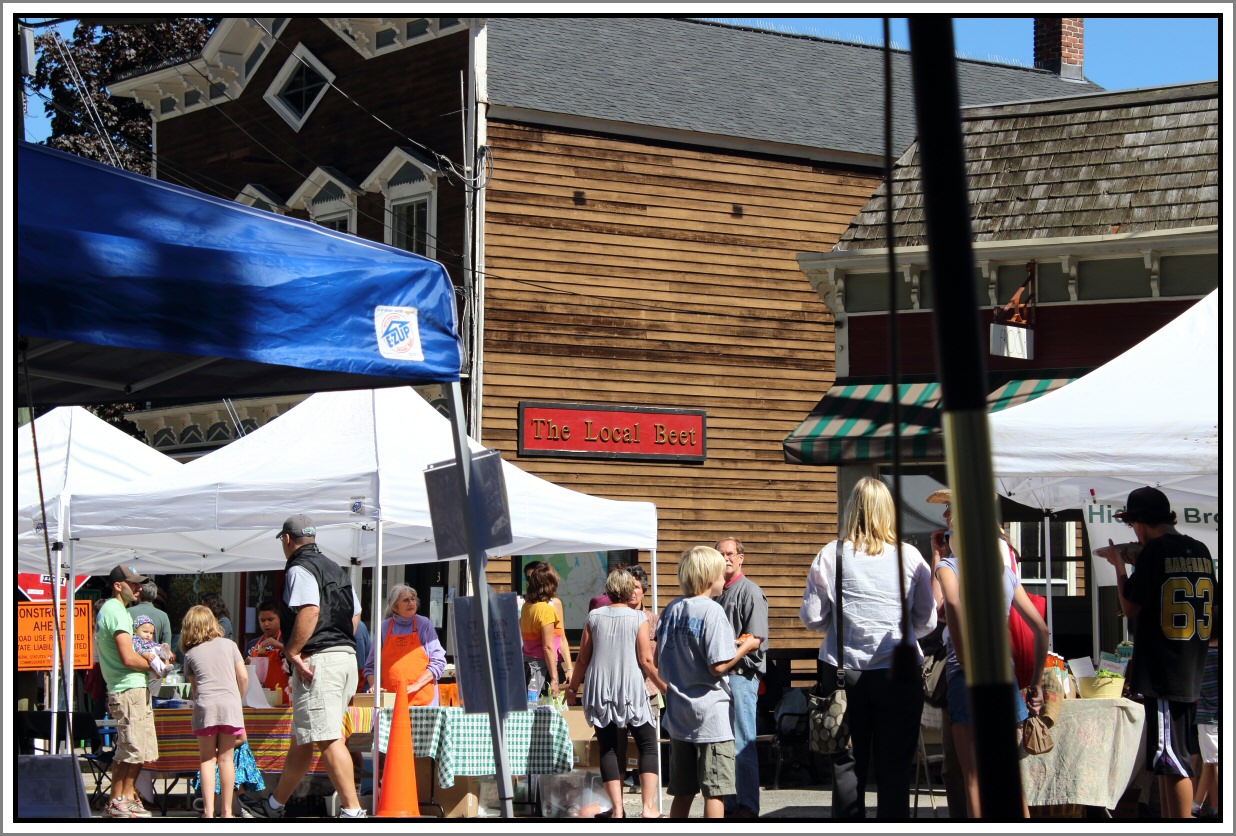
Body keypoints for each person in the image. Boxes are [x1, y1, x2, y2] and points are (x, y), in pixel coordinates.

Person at [799, 477, 938, 820]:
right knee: (895, 765)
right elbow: (927, 620)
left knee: (846, 764)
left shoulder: (832, 555)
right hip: (899, 672)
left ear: (851, 510)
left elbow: (813, 619)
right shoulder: (911, 557)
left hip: (844, 672)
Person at [239, 515, 367, 819]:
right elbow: (356, 614)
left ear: (287, 539)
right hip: (344, 657)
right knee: (302, 738)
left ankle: (353, 812)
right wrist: (338, 640)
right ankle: (274, 806)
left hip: (319, 660)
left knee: (328, 737)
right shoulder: (336, 567)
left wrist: (294, 649)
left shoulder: (299, 567)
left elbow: (310, 610)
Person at [1103, 486, 1216, 819]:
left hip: (1164, 670)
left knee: (1173, 758)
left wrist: (1120, 567)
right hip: (1191, 665)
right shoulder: (1200, 549)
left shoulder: (1154, 552)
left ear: (1139, 522)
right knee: (1166, 760)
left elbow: (1131, 606)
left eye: (1132, 524)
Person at [935, 493, 1048, 818]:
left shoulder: (949, 567)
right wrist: (1037, 683)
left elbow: (950, 607)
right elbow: (1041, 630)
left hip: (965, 677)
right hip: (1003, 678)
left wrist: (968, 664)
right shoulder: (1005, 573)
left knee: (974, 781)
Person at [655, 545, 761, 819]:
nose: (724, 578)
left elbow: (660, 661)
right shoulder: (712, 612)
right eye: (719, 573)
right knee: (715, 791)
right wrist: (746, 647)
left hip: (679, 716)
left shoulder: (671, 609)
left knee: (683, 791)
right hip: (710, 718)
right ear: (707, 577)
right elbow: (718, 665)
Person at [566, 569, 667, 819]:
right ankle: (648, 808)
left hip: (600, 688)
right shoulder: (637, 619)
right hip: (631, 688)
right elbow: (645, 659)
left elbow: (583, 660)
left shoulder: (594, 616)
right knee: (647, 746)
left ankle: (618, 810)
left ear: (609, 589)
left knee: (609, 748)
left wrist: (572, 688)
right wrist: (664, 686)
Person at [96, 564, 168, 818]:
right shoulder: (114, 610)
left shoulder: (120, 610)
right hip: (126, 688)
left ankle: (127, 796)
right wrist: (156, 667)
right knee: (130, 746)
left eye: (139, 583)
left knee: (140, 747)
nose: (138, 587)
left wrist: (154, 665)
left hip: (133, 687)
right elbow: (128, 657)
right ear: (118, 585)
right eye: (133, 583)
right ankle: (117, 799)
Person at [715, 536, 768, 819]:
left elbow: (755, 639)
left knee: (743, 742)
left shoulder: (750, 592)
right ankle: (731, 803)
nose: (726, 558)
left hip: (740, 677)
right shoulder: (714, 594)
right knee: (723, 743)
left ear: (741, 557)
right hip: (718, 681)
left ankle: (748, 806)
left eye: (730, 553)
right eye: (721, 553)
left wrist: (728, 654)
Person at [180, 605, 248, 819]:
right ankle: (227, 812)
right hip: (230, 705)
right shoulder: (230, 645)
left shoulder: (190, 654)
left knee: (207, 760)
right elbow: (244, 677)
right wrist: (238, 699)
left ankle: (208, 812)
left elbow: (195, 689)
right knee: (226, 759)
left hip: (206, 706)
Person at [363, 585, 447, 704]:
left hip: (422, 701)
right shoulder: (384, 627)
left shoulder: (424, 624)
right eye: (406, 600)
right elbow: (371, 666)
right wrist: (374, 685)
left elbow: (439, 662)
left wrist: (416, 685)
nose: (411, 603)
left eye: (413, 599)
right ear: (395, 606)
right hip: (391, 701)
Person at [521, 563, 565, 698]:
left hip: (527, 667)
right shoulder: (545, 610)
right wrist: (554, 679)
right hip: (542, 670)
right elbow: (547, 647)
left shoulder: (527, 606)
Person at [245, 599, 290, 696]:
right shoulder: (252, 644)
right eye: (262, 620)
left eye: (270, 619)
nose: (266, 624)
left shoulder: (288, 640)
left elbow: (296, 656)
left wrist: (280, 646)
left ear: (279, 618)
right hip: (259, 698)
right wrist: (247, 663)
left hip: (283, 697)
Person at [129, 580, 174, 651]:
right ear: (155, 596)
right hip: (155, 658)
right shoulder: (163, 616)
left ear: (138, 593)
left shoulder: (127, 612)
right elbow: (166, 645)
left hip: (131, 657)